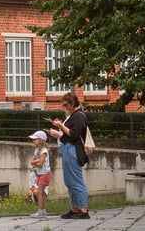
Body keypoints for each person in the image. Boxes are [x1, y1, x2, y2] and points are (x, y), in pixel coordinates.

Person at [49, 91, 90, 219]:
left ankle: (83, 209)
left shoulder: (79, 116)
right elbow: (67, 134)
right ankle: (75, 208)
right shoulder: (73, 116)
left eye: (66, 105)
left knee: (76, 181)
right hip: (67, 148)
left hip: (73, 150)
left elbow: (74, 134)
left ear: (72, 104)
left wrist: (60, 125)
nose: (64, 107)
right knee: (69, 181)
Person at [27, 129, 51, 219]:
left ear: (41, 140)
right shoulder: (37, 150)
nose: (33, 141)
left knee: (40, 192)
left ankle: (41, 212)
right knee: (41, 192)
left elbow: (40, 164)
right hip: (40, 173)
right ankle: (43, 211)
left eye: (35, 139)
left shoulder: (44, 150)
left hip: (45, 174)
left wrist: (35, 162)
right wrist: (36, 161)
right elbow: (31, 162)